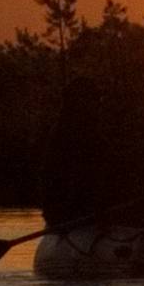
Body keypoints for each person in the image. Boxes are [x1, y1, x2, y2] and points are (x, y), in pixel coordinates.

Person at [39, 75, 113, 227]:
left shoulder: (94, 132)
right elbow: (56, 180)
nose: (97, 103)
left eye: (96, 98)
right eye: (93, 98)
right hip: (66, 214)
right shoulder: (64, 135)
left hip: (84, 212)